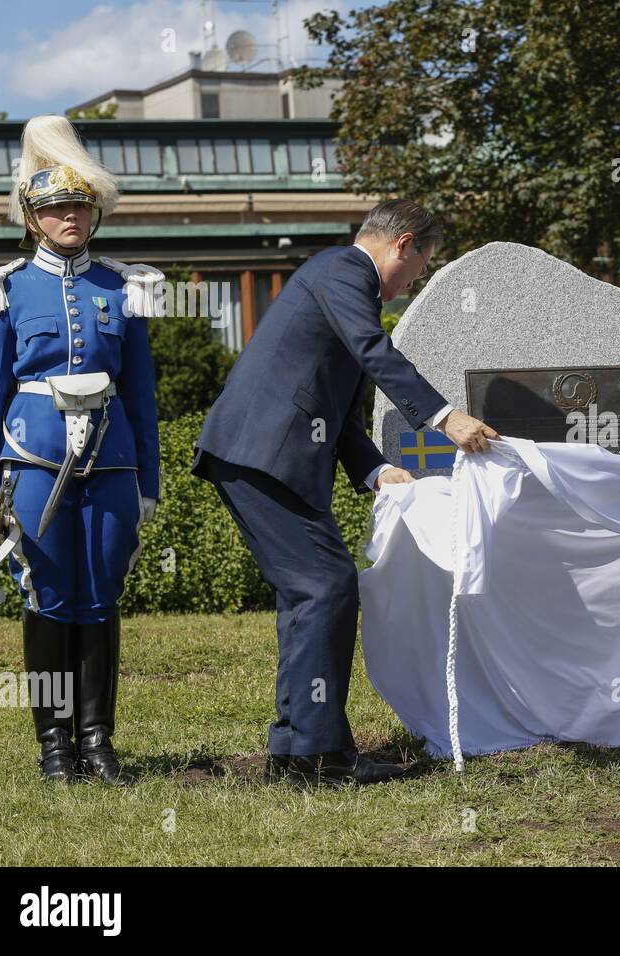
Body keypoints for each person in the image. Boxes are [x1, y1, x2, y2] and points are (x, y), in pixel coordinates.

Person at [192, 198, 499, 788]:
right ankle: (316, 756)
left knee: (313, 593)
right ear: (403, 244)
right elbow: (374, 351)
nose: (414, 283)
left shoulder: (340, 286)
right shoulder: (342, 269)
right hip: (261, 456)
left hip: (260, 457)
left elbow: (337, 414)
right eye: (421, 268)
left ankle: (296, 750)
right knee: (325, 587)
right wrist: (444, 417)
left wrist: (376, 471)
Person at [0, 115, 162, 784]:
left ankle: (98, 741)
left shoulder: (122, 286)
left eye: (79, 204)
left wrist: (149, 481)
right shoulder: (5, 287)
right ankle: (55, 747)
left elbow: (141, 395)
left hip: (111, 462)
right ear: (33, 217)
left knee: (102, 596)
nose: (70, 216)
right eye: (55, 207)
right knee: (48, 597)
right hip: (32, 461)